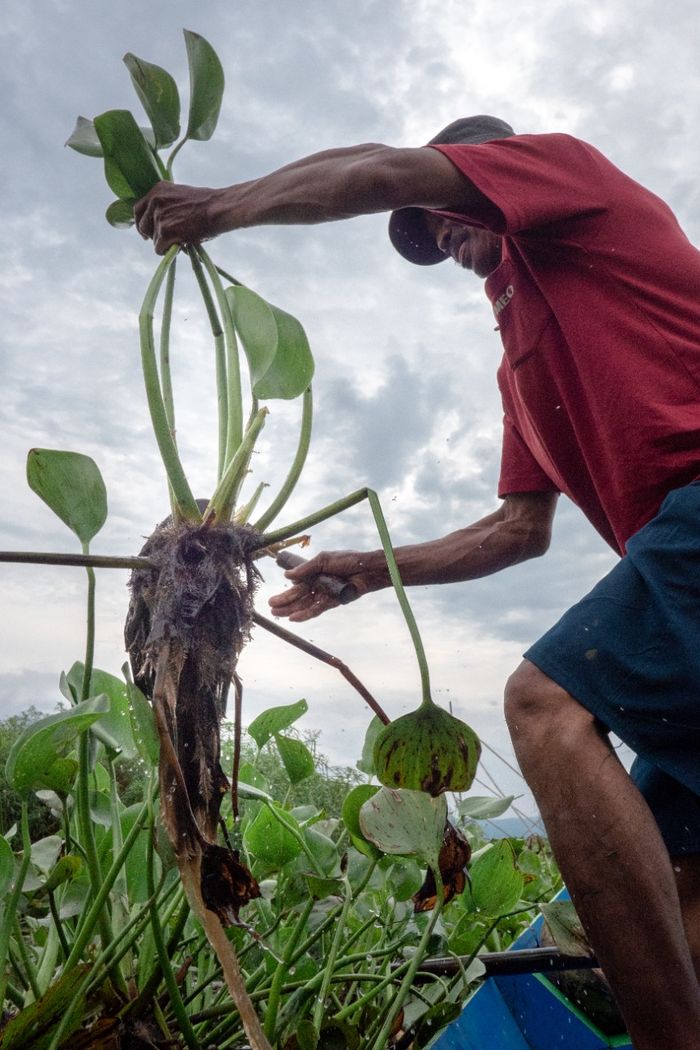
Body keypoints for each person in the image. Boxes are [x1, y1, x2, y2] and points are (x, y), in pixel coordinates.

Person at [135, 115, 700, 1049]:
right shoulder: (522, 364)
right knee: (681, 869)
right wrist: (366, 569)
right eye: (431, 234)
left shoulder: (568, 178)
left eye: (444, 213)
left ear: (487, 178)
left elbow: (384, 167)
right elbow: (518, 531)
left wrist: (224, 207)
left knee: (546, 708)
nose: (443, 236)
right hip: (675, 571)